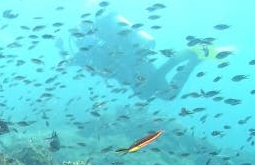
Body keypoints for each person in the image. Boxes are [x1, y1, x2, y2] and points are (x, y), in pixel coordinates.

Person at [61, 12, 232, 101]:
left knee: (155, 93)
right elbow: (69, 63)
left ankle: (183, 57)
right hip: (138, 65)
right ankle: (192, 58)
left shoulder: (88, 52)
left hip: (133, 70)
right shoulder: (90, 51)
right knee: (166, 94)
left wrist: (61, 48)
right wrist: (61, 48)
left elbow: (68, 63)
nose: (81, 40)